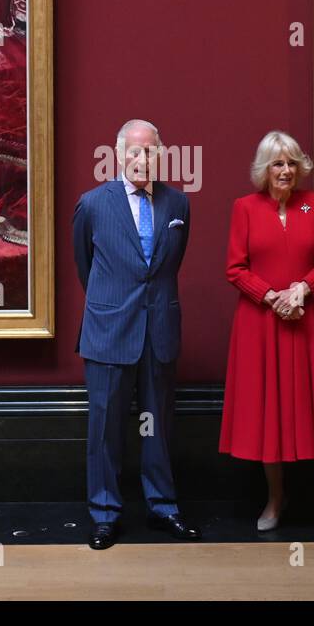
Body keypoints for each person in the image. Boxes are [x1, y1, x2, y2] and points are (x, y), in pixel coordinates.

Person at [73, 119, 200, 550]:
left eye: (150, 151)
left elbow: (167, 267)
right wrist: (112, 305)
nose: (142, 158)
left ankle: (163, 507)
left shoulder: (177, 205)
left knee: (157, 426)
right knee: (105, 427)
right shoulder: (92, 204)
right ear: (119, 154)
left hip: (159, 330)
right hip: (109, 331)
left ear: (160, 154)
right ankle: (105, 514)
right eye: (134, 151)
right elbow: (84, 268)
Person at [219, 131, 314, 539]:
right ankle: (276, 499)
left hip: (305, 321)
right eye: (278, 163)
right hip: (260, 325)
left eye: (292, 163)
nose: (286, 170)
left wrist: (301, 289)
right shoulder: (245, 208)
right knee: (268, 412)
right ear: (265, 169)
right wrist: (273, 296)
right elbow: (235, 269)